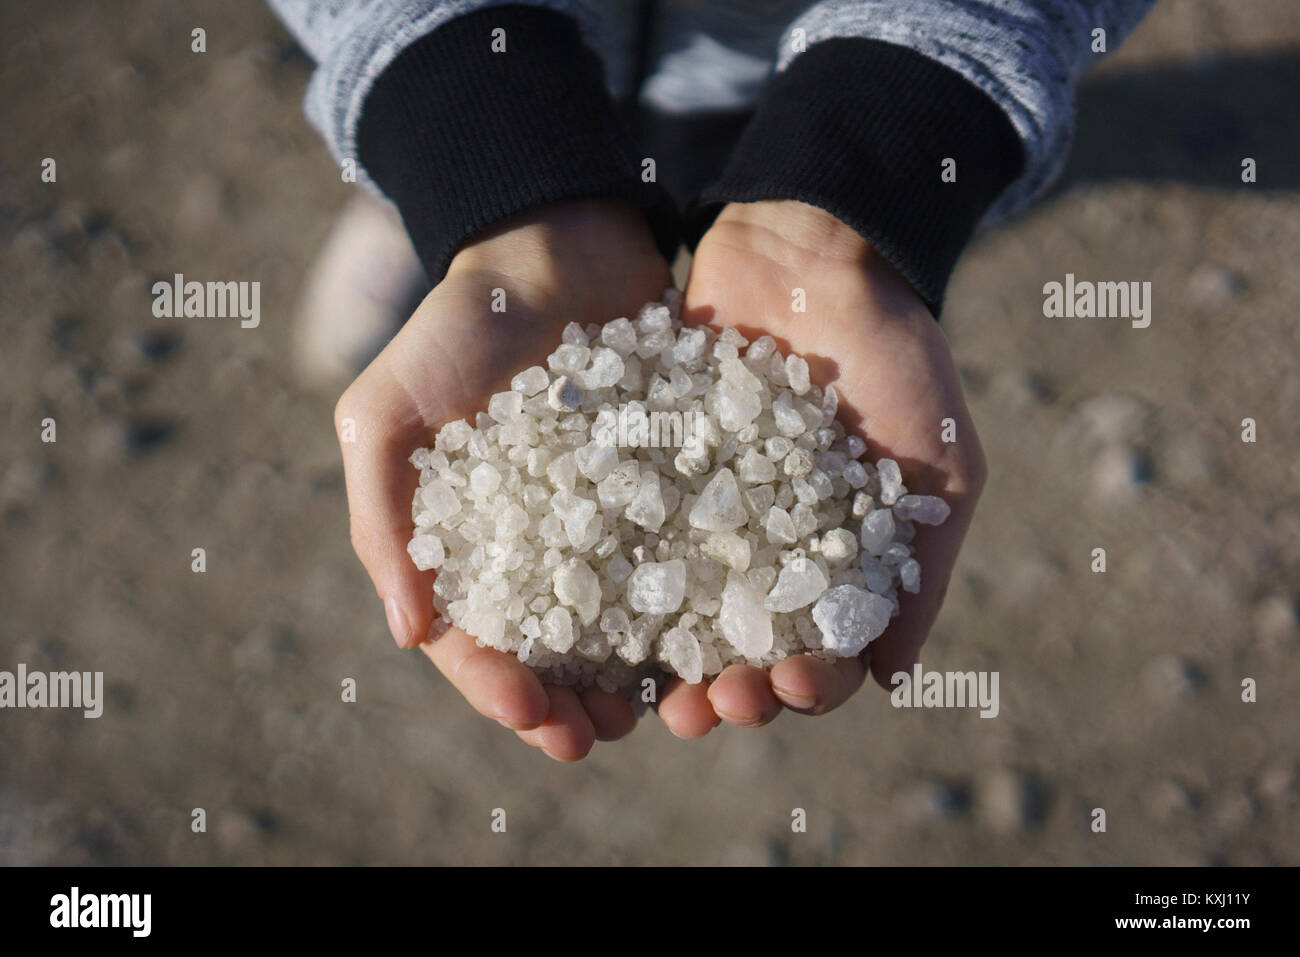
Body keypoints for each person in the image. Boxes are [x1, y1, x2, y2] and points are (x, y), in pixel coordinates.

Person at [269, 0, 1157, 760]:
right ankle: (454, 202)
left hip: (810, 70)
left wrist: (895, 139)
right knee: (464, 143)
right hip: (467, 60)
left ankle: (825, 178)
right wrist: (462, 132)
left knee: (773, 145)